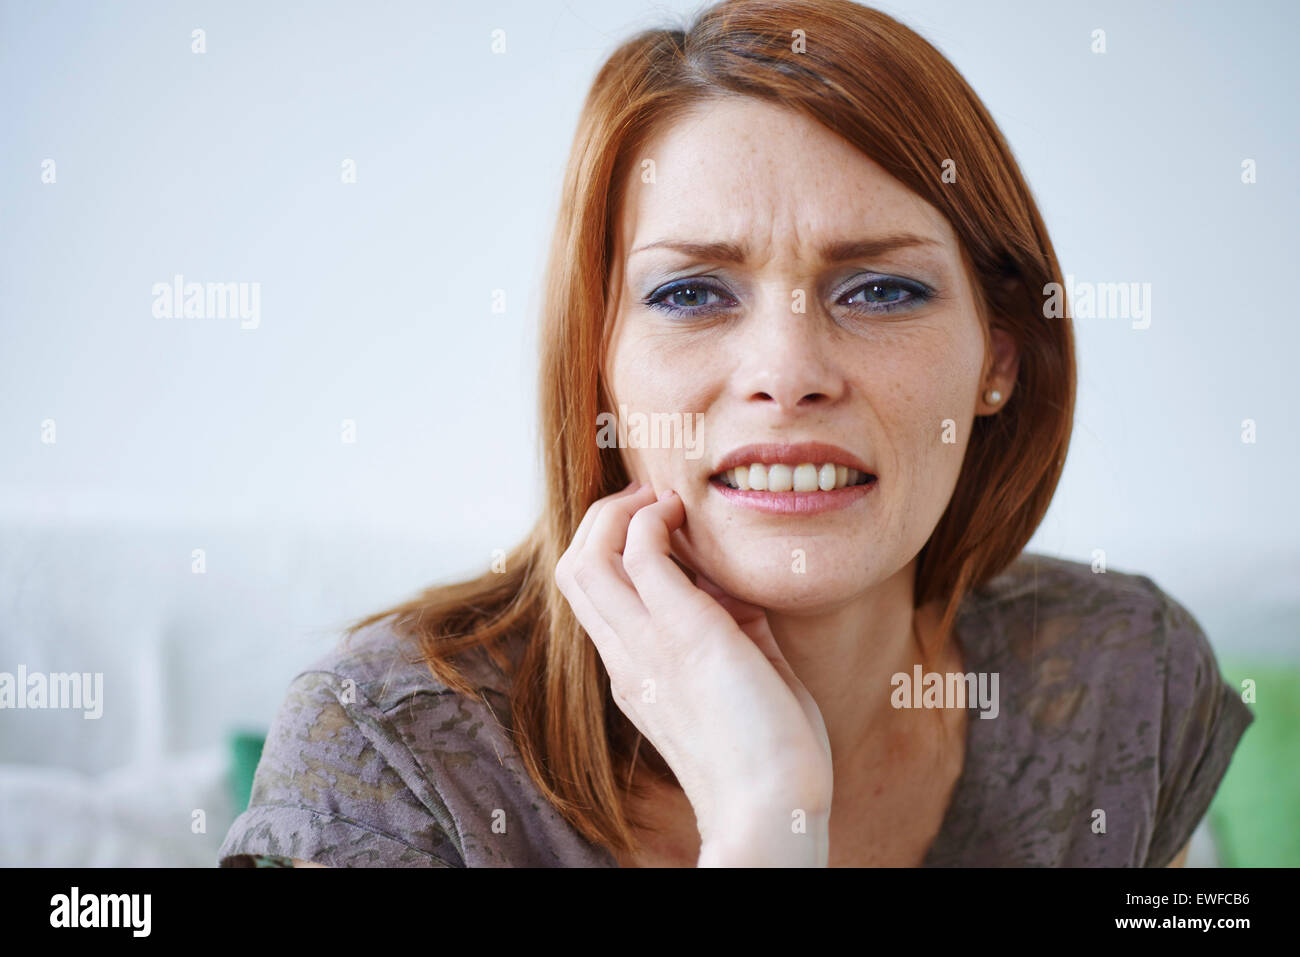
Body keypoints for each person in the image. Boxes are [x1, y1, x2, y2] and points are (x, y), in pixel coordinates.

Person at [218, 0, 1253, 868]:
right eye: (691, 293)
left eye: (881, 289)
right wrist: (768, 816)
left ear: (999, 358)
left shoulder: (1122, 676)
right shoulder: (386, 755)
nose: (787, 374)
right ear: (597, 368)